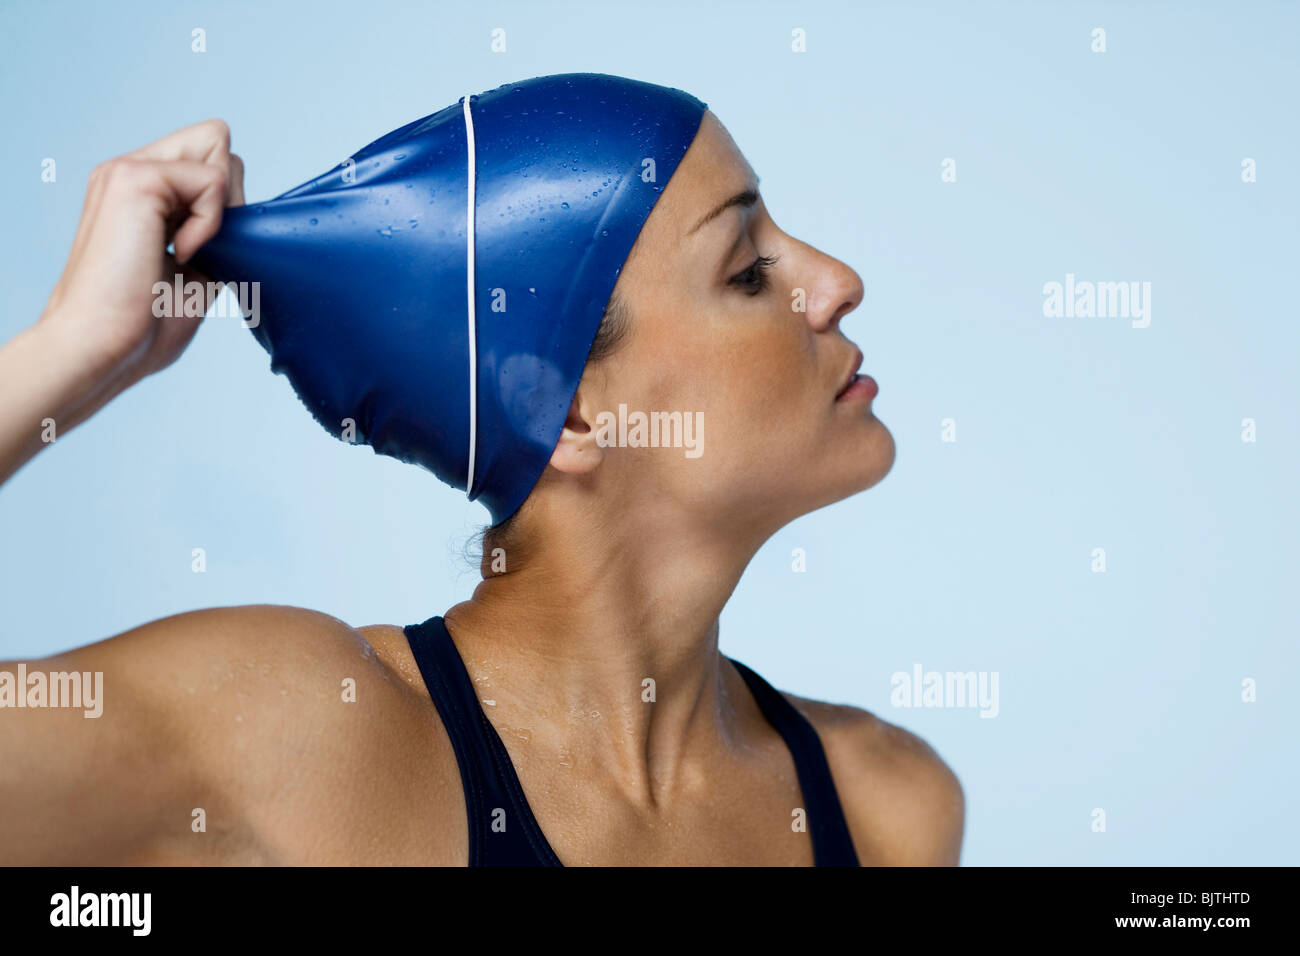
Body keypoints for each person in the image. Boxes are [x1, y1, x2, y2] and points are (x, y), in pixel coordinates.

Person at [0, 73, 963, 866]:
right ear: (573, 410)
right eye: (749, 270)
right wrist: (67, 355)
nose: (838, 282)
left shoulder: (886, 807)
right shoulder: (303, 737)